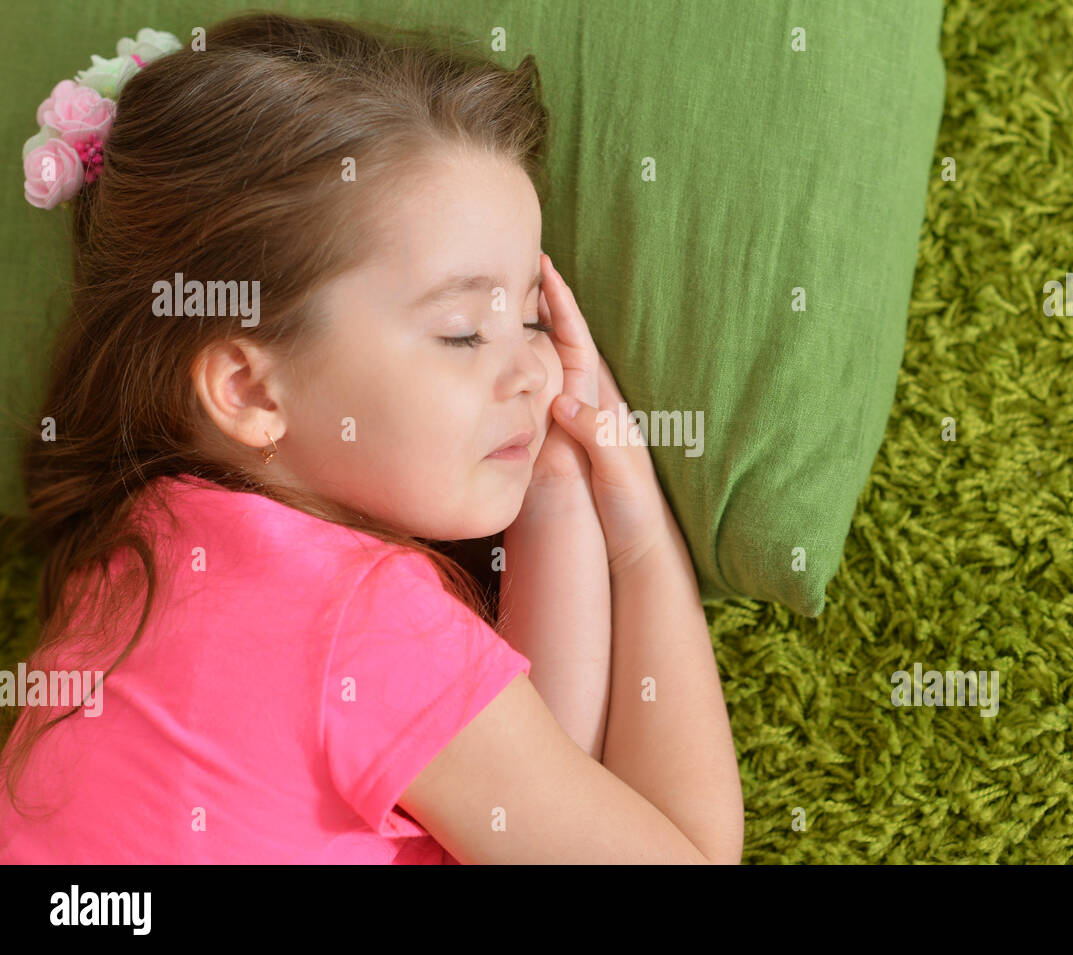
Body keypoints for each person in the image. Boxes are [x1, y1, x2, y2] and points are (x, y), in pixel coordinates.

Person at [0, 12, 743, 864]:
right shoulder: (364, 620)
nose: (537, 371)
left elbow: (535, 789)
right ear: (248, 387)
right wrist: (641, 537)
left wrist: (557, 488)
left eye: (534, 318)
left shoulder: (142, 556)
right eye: (464, 331)